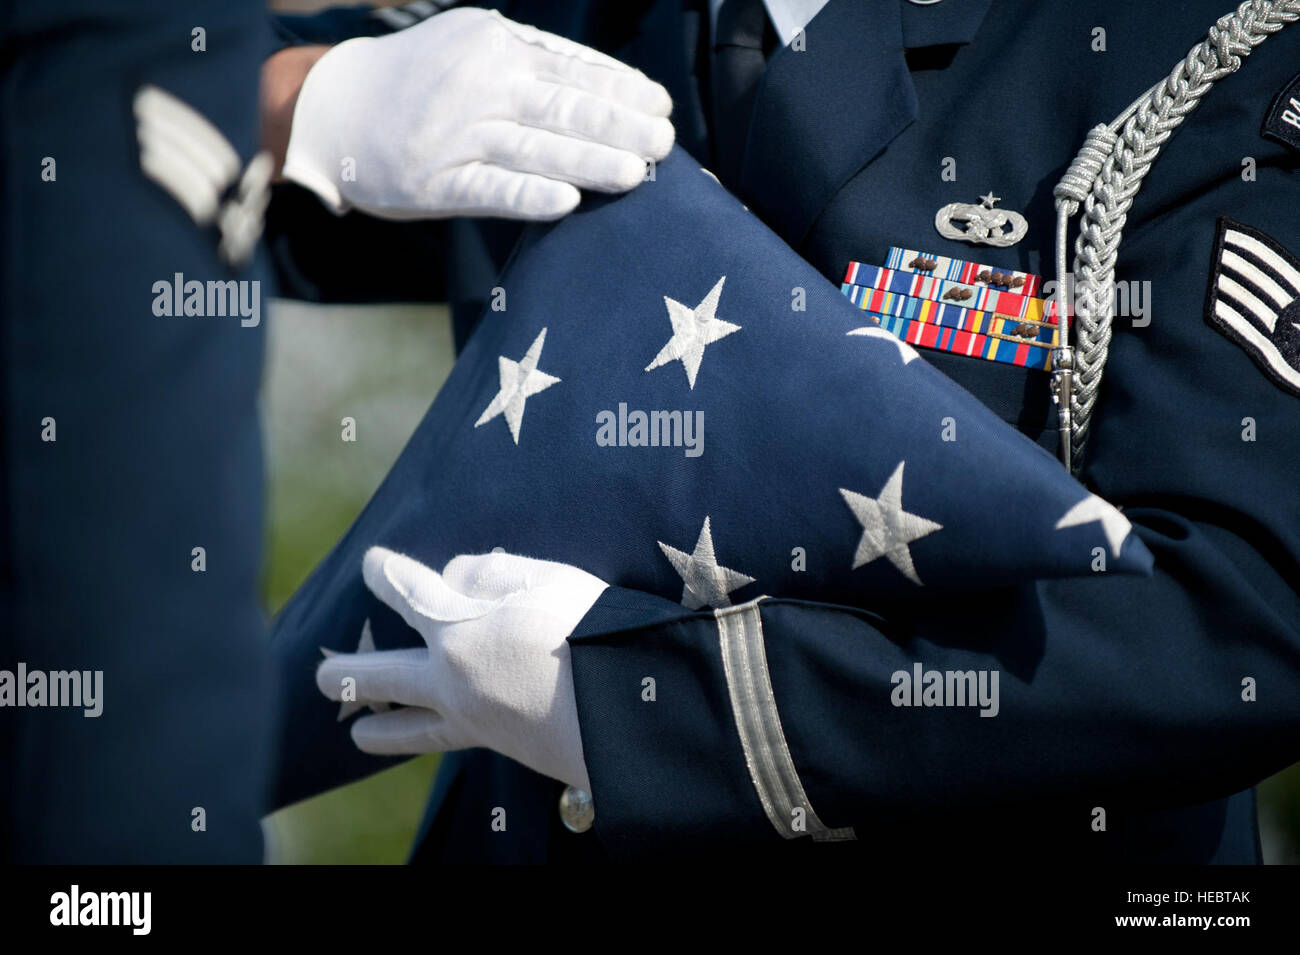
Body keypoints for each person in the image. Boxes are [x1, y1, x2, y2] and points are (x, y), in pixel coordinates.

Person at [272, 0, 1300, 863]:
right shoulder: (576, 14)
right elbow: (142, 103)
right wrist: (303, 103)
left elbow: (1236, 615)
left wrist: (643, 707)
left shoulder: (1210, 57)